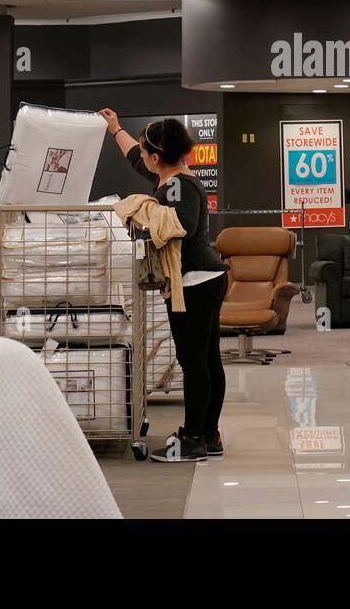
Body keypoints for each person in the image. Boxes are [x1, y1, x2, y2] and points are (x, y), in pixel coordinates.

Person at [100, 109, 228, 463]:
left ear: (158, 157)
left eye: (146, 153)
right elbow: (134, 158)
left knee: (194, 362)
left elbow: (178, 225)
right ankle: (209, 433)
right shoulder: (174, 175)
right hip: (208, 278)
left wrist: (144, 218)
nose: (141, 157)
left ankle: (192, 438)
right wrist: (115, 128)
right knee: (208, 359)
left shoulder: (177, 186)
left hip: (194, 281)